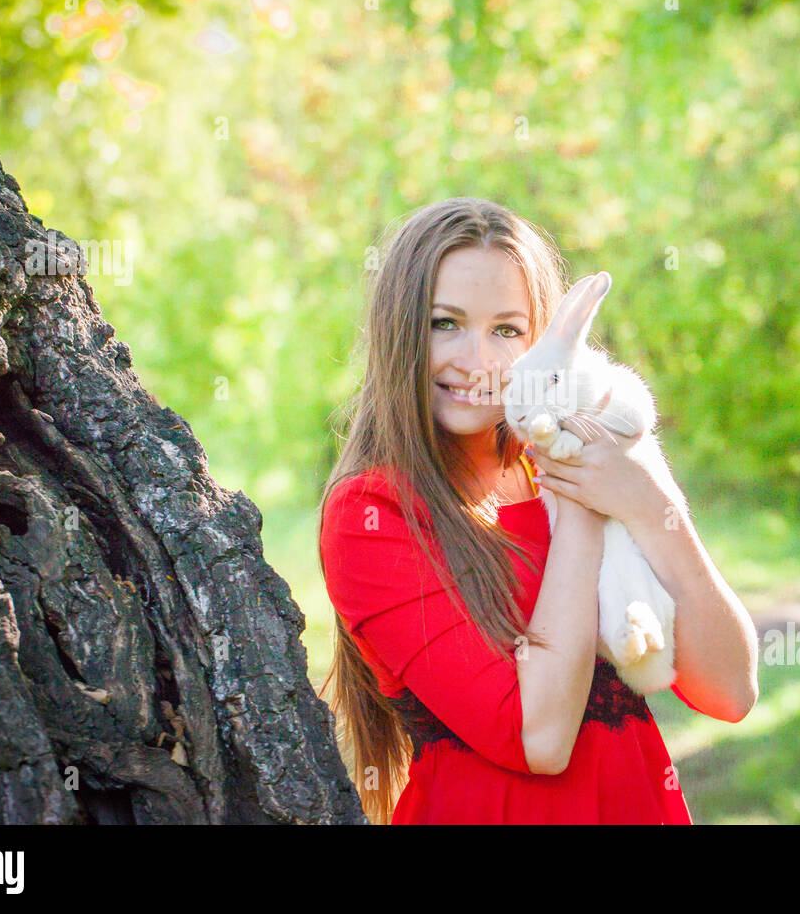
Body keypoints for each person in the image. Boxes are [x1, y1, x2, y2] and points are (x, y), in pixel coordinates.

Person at [317, 196, 759, 823]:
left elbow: (731, 691)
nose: (479, 362)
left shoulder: (596, 460)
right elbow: (541, 740)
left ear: (547, 339)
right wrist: (582, 503)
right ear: (400, 329)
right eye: (446, 323)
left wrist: (652, 501)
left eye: (507, 330)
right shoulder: (373, 513)